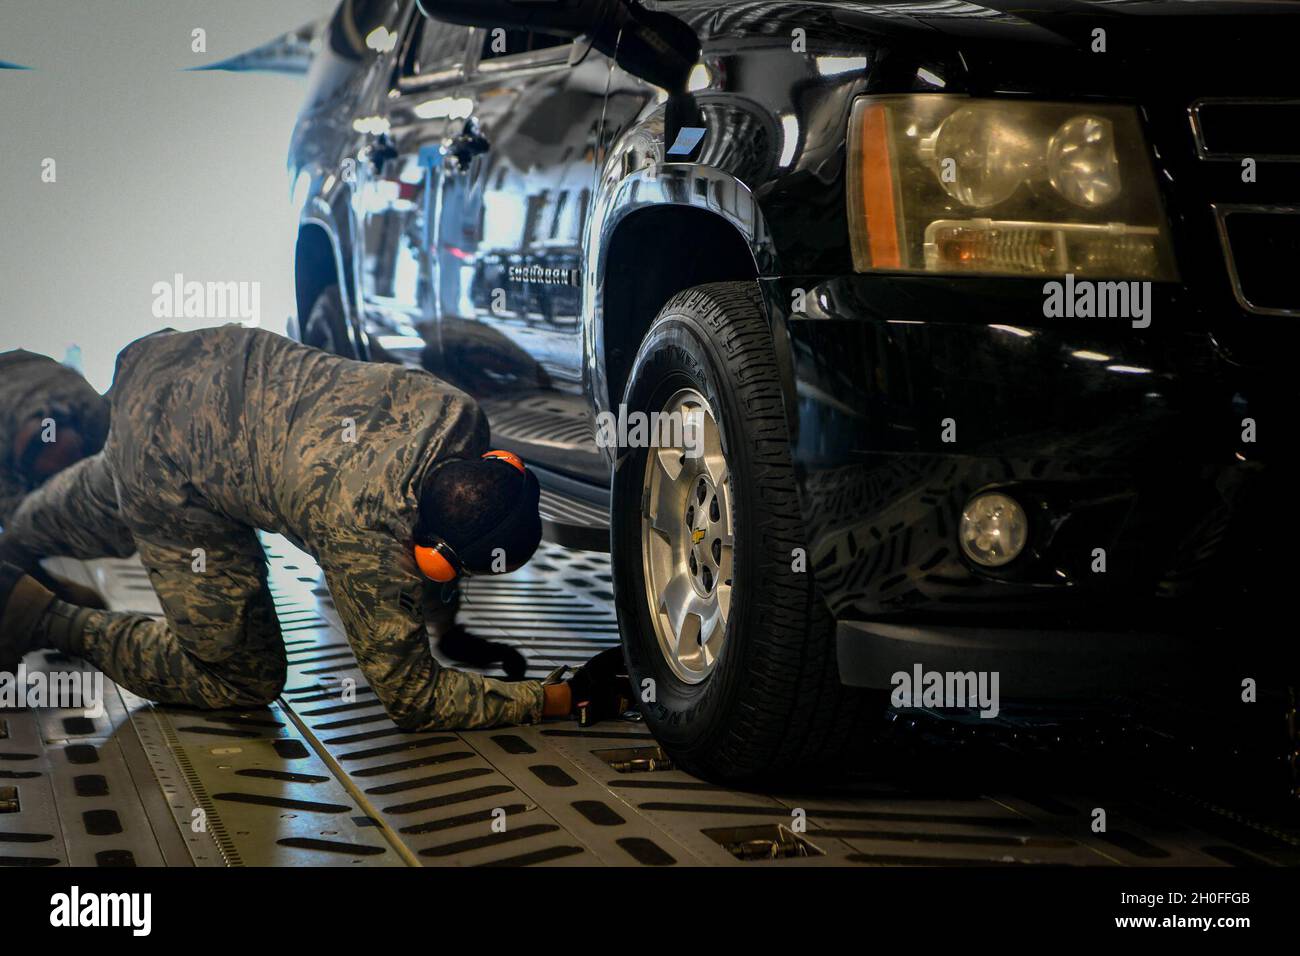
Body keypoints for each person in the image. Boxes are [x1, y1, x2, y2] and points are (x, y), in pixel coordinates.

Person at [0, 326, 628, 729]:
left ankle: (12, 546)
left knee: (92, 505)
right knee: (240, 677)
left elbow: (439, 538)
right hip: (170, 465)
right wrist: (560, 698)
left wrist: (447, 629)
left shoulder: (455, 414)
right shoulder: (362, 529)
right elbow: (412, 699)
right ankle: (35, 614)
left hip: (183, 362)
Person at [0, 349, 109, 528]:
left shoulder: (94, 414)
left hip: (33, 368)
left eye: (76, 453)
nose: (74, 467)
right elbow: (18, 524)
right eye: (56, 471)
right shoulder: (6, 476)